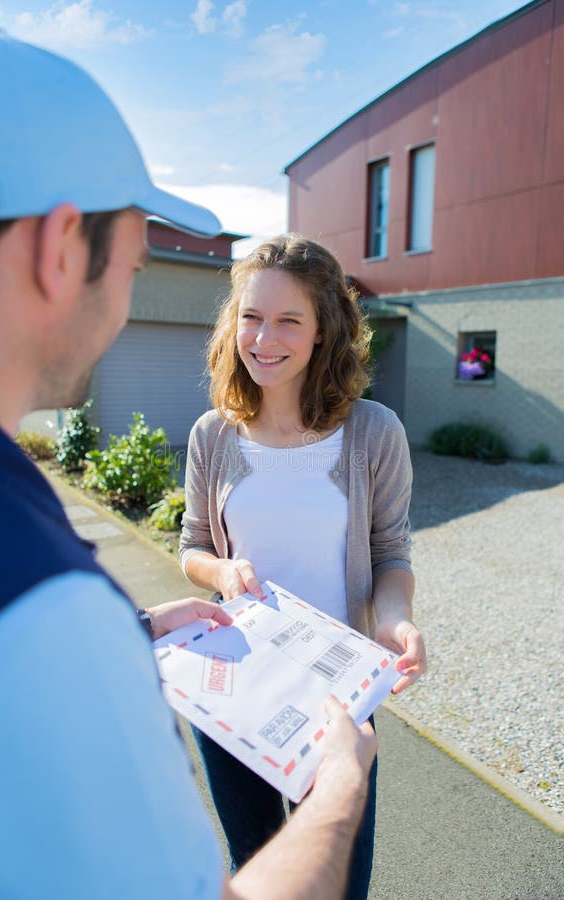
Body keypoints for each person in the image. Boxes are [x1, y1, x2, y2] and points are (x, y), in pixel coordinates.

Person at [0, 33, 377, 900]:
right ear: (60, 247)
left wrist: (123, 633)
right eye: (137, 264)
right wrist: (341, 787)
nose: (126, 304)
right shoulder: (34, 597)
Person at [180, 234, 428, 898]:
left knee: (338, 883)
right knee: (255, 870)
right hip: (232, 688)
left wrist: (396, 620)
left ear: (323, 331)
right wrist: (223, 574)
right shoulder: (213, 434)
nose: (264, 337)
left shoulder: (375, 433)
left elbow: (390, 554)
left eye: (289, 319)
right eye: (252, 317)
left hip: (337, 696)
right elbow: (193, 548)